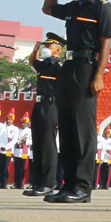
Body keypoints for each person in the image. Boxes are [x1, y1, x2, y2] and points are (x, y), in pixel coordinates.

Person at [41, 0, 111, 204]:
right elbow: (47, 8)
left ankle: (82, 187)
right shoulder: (74, 6)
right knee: (67, 127)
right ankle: (68, 184)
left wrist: (98, 76)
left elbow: (105, 43)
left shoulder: (103, 7)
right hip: (69, 67)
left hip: (87, 67)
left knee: (82, 128)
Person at [24, 32, 64, 196]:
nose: (46, 48)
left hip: (51, 105)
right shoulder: (45, 65)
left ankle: (48, 184)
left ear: (58, 50)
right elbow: (32, 62)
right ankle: (38, 183)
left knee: (47, 145)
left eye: (49, 46)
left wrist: (60, 114)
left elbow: (64, 91)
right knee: (38, 144)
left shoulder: (59, 67)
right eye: (45, 45)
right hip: (39, 104)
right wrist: (35, 49)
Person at [13, 114, 31, 189]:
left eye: (24, 123)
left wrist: (26, 141)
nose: (22, 124)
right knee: (17, 169)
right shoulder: (17, 130)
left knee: (23, 169)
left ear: (27, 123)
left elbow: (32, 141)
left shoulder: (30, 131)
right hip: (17, 151)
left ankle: (21, 183)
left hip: (25, 152)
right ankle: (16, 183)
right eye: (22, 123)